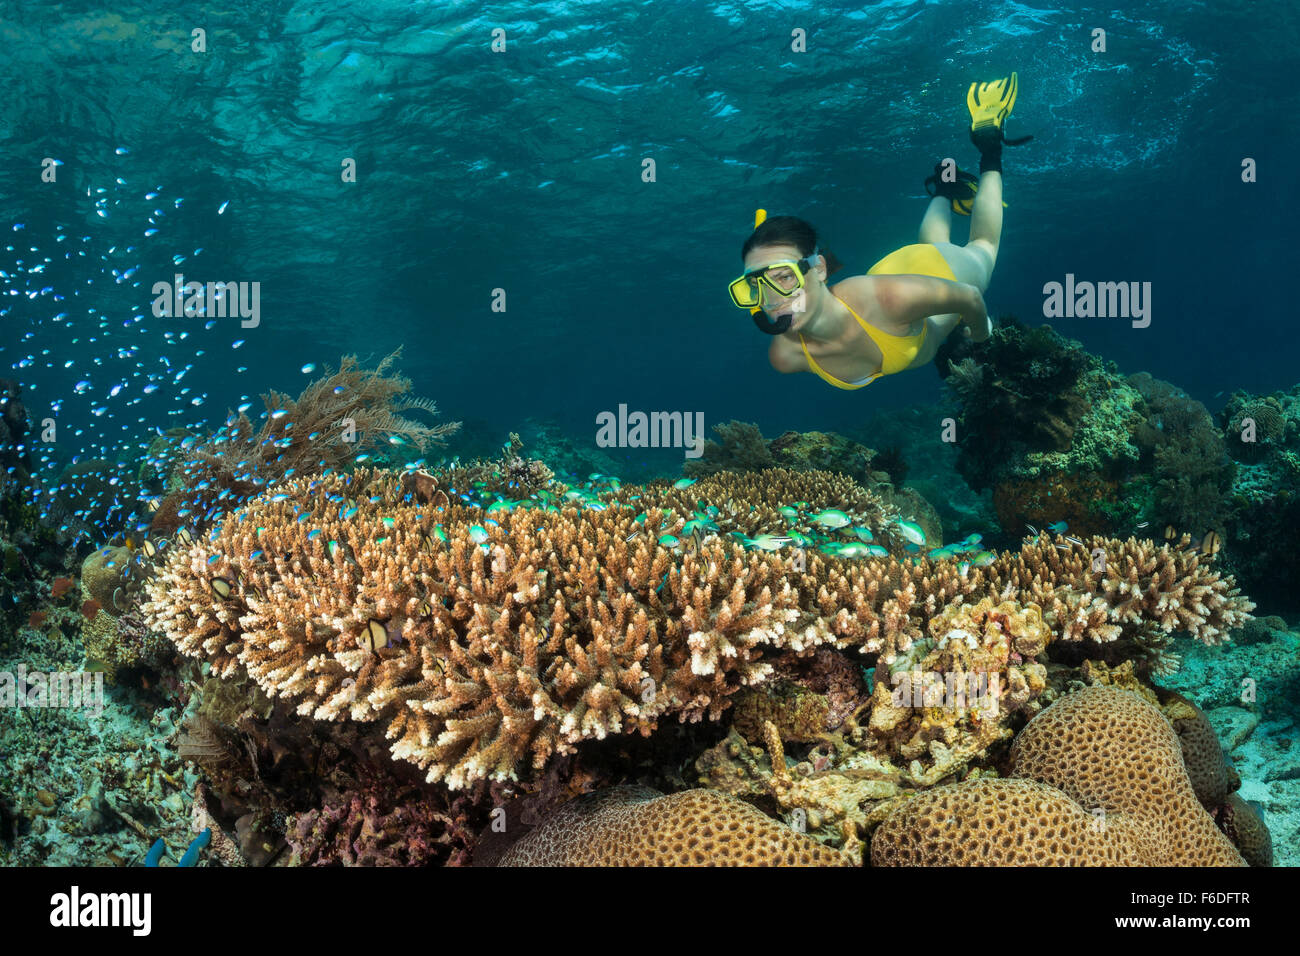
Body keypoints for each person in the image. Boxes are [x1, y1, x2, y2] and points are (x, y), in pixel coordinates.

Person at [728, 74, 1030, 390]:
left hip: (935, 273)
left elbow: (970, 297)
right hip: (897, 272)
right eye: (755, 284)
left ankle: (989, 145)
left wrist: (983, 339)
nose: (772, 299)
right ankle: (944, 186)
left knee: (982, 245)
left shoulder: (889, 302)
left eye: (784, 276)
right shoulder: (786, 356)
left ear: (819, 268)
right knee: (933, 243)